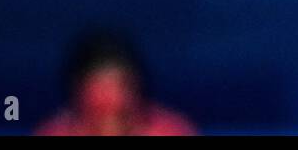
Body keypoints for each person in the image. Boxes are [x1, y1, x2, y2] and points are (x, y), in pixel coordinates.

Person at [35, 32, 196, 136]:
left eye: (121, 114)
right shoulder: (54, 133)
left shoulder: (171, 131)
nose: (110, 129)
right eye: (98, 111)